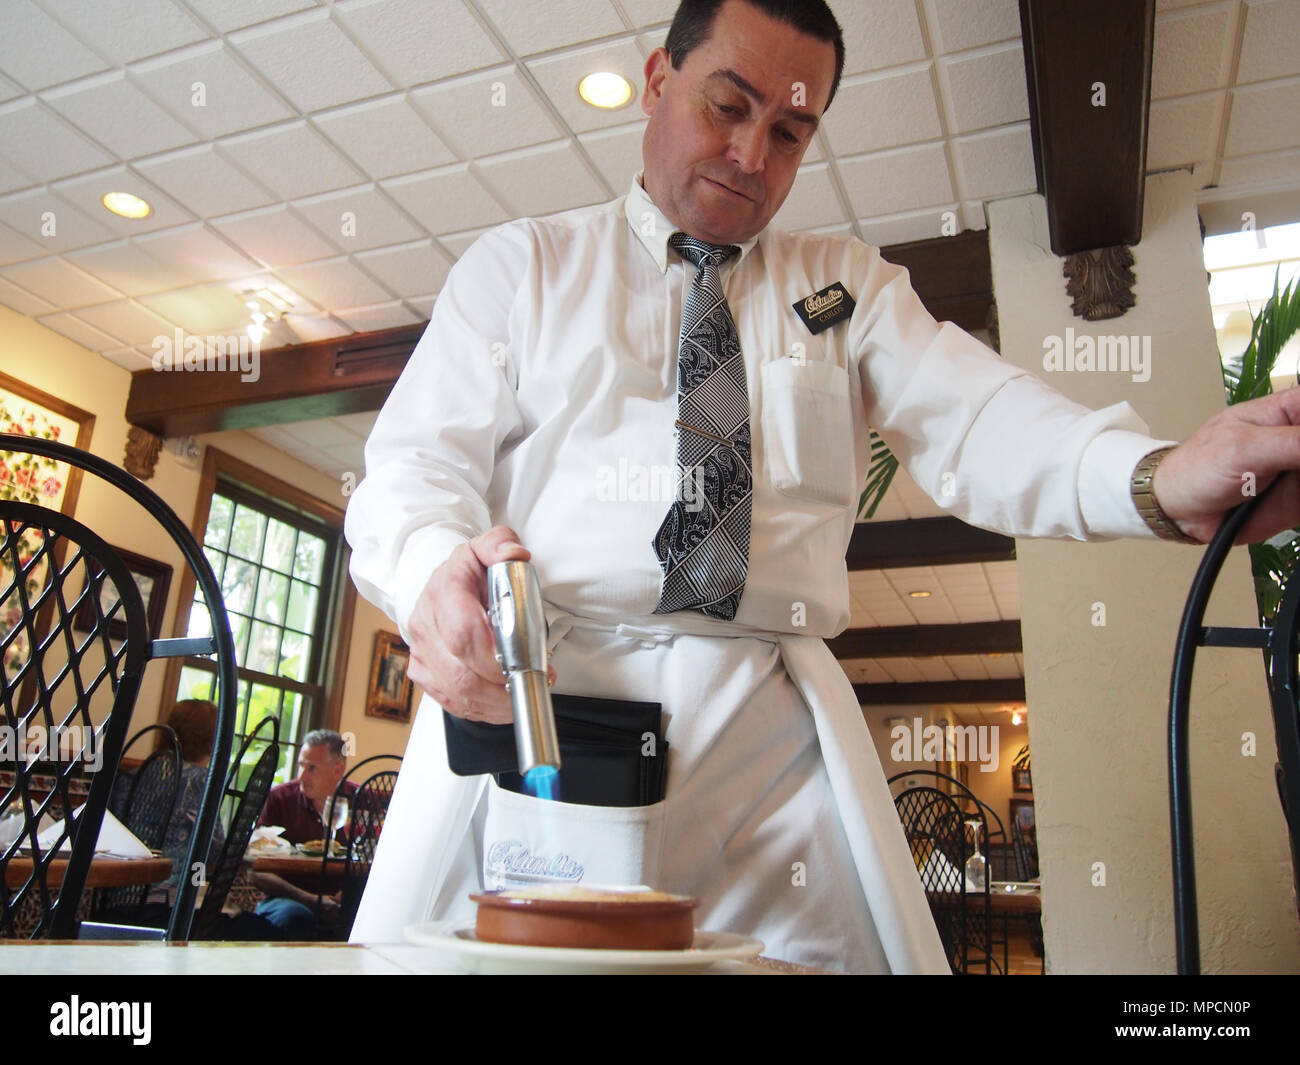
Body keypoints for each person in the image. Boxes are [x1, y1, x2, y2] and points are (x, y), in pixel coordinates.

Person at [343, 0, 1300, 972]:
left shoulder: (842, 290)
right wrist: (433, 575)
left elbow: (977, 418)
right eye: (728, 106)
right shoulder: (524, 267)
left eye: (790, 130)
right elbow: (413, 467)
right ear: (657, 80)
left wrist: (1155, 476)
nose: (752, 155)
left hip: (769, 741)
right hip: (548, 709)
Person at [249, 729, 355, 938]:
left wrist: (352, 892)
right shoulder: (279, 799)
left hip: (343, 900)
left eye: (312, 768)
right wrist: (311, 899)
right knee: (298, 918)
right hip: (287, 899)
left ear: (338, 770)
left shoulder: (361, 798)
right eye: (301, 766)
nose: (301, 777)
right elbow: (254, 870)